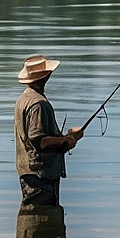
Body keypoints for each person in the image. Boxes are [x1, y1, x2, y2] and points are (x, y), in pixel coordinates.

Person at [14, 55, 84, 207]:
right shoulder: (39, 104)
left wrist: (70, 137)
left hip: (29, 173)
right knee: (43, 218)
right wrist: (69, 140)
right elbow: (40, 141)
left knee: (33, 217)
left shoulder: (23, 99)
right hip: (40, 176)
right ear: (47, 76)